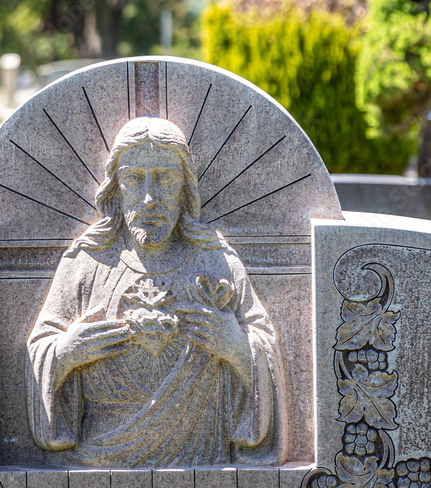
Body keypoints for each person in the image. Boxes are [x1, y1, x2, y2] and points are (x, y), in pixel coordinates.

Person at [25, 117, 287, 467]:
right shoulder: (85, 263)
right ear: (116, 189)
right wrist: (65, 353)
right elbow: (40, 347)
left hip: (202, 463)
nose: (149, 198)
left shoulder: (216, 260)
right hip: (97, 465)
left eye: (165, 178)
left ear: (185, 187)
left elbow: (265, 345)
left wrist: (237, 347)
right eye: (134, 179)